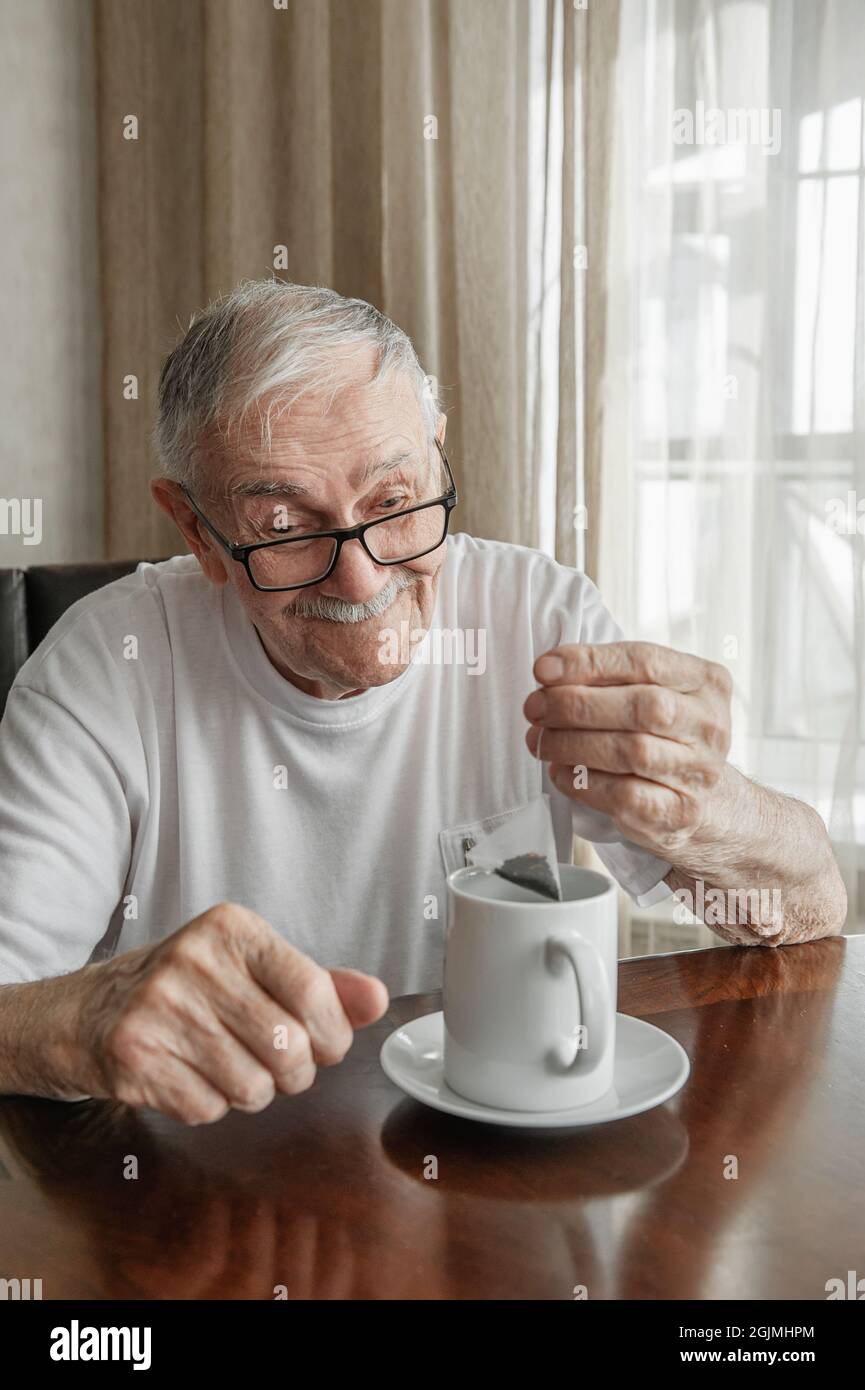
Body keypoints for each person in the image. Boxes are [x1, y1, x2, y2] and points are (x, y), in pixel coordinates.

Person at [0, 281, 846, 1123]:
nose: (361, 578)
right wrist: (89, 1017)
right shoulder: (106, 665)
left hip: (487, 1171)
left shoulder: (541, 619)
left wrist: (703, 807)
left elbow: (810, 911)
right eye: (288, 526)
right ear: (196, 532)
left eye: (394, 504)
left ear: (437, 456)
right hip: (189, 1194)